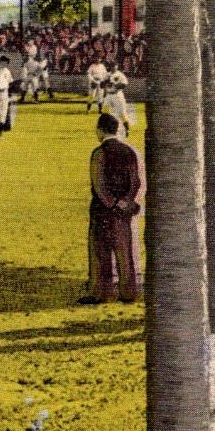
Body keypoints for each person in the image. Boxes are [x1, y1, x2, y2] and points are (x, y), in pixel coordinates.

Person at [79, 113, 143, 305]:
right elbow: (135, 182)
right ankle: (128, 291)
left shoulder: (99, 153)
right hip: (123, 212)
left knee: (101, 251)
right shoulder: (128, 152)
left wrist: (112, 203)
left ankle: (102, 292)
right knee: (125, 251)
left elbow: (99, 185)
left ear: (100, 130)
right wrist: (125, 202)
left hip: (103, 211)